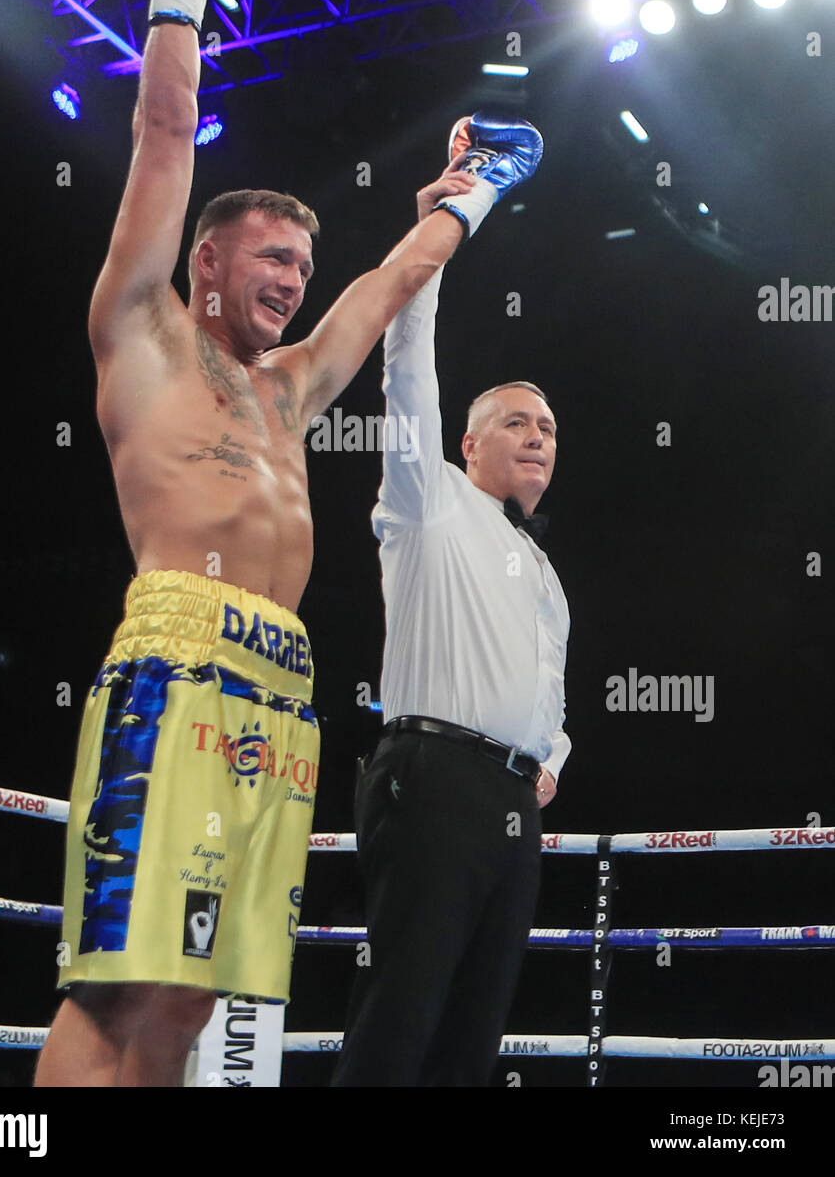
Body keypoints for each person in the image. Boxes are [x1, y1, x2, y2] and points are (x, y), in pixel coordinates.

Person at [34, 0, 536, 1087]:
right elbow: (161, 134)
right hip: (179, 653)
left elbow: (385, 288)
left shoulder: (291, 386)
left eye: (301, 261)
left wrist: (469, 198)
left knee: (193, 1003)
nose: (294, 277)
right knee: (121, 986)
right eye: (269, 253)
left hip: (280, 690)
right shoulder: (143, 333)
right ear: (205, 258)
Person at [332, 116, 571, 1088]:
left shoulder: (546, 576)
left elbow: (551, 691)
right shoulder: (427, 497)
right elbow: (407, 368)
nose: (539, 437)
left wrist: (551, 756)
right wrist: (439, 227)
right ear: (470, 443)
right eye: (517, 420)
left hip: (513, 802)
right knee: (401, 1024)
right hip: (429, 775)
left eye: (550, 427)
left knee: (472, 1048)